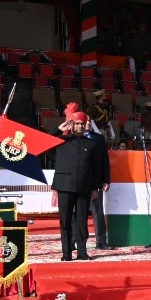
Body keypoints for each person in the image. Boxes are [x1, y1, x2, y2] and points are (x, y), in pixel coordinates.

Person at [50, 107, 109, 261]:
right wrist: (58, 130)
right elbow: (45, 144)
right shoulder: (61, 141)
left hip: (84, 187)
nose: (80, 126)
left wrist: (95, 188)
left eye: (82, 124)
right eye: (76, 124)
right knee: (66, 221)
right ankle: (66, 253)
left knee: (82, 221)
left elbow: (96, 168)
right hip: (64, 186)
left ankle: (82, 252)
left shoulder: (92, 144)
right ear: (71, 125)